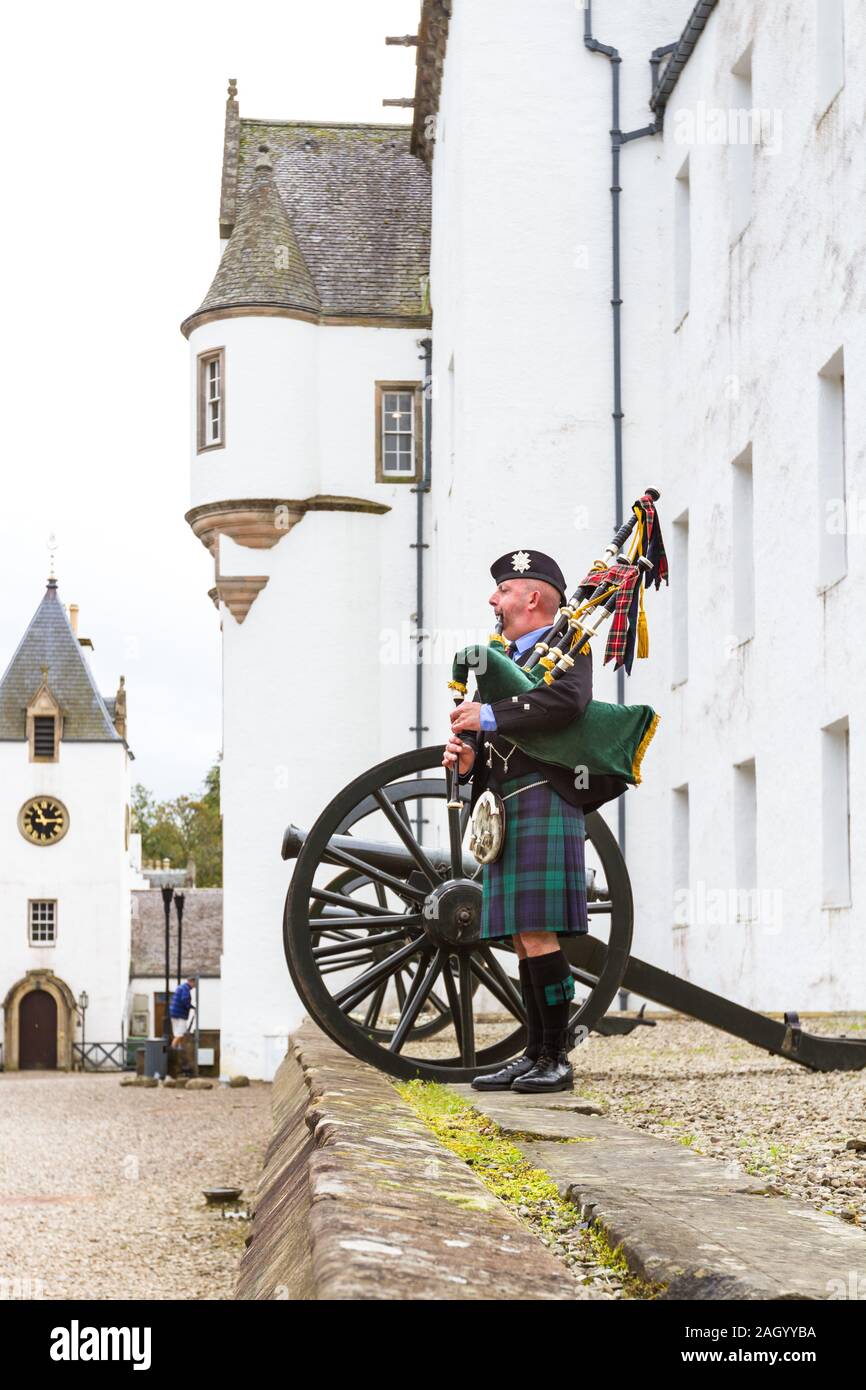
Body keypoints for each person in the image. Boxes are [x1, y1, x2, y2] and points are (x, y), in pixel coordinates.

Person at [442, 548, 626, 1094]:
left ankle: (557, 1057)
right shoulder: (498, 662)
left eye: (502, 591)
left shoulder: (567, 649)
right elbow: (495, 744)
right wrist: (470, 760)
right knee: (523, 938)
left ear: (532, 596)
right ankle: (534, 1052)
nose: (493, 601)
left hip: (547, 797)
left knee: (539, 934)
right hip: (507, 802)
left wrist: (490, 715)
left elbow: (565, 704)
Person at [169, 976, 196, 1051]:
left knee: (177, 1033)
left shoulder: (180, 987)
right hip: (180, 1014)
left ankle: (179, 1048)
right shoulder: (186, 989)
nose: (195, 986)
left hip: (174, 1013)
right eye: (195, 984)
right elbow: (185, 1000)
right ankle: (173, 1050)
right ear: (191, 982)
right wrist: (191, 1007)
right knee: (180, 1034)